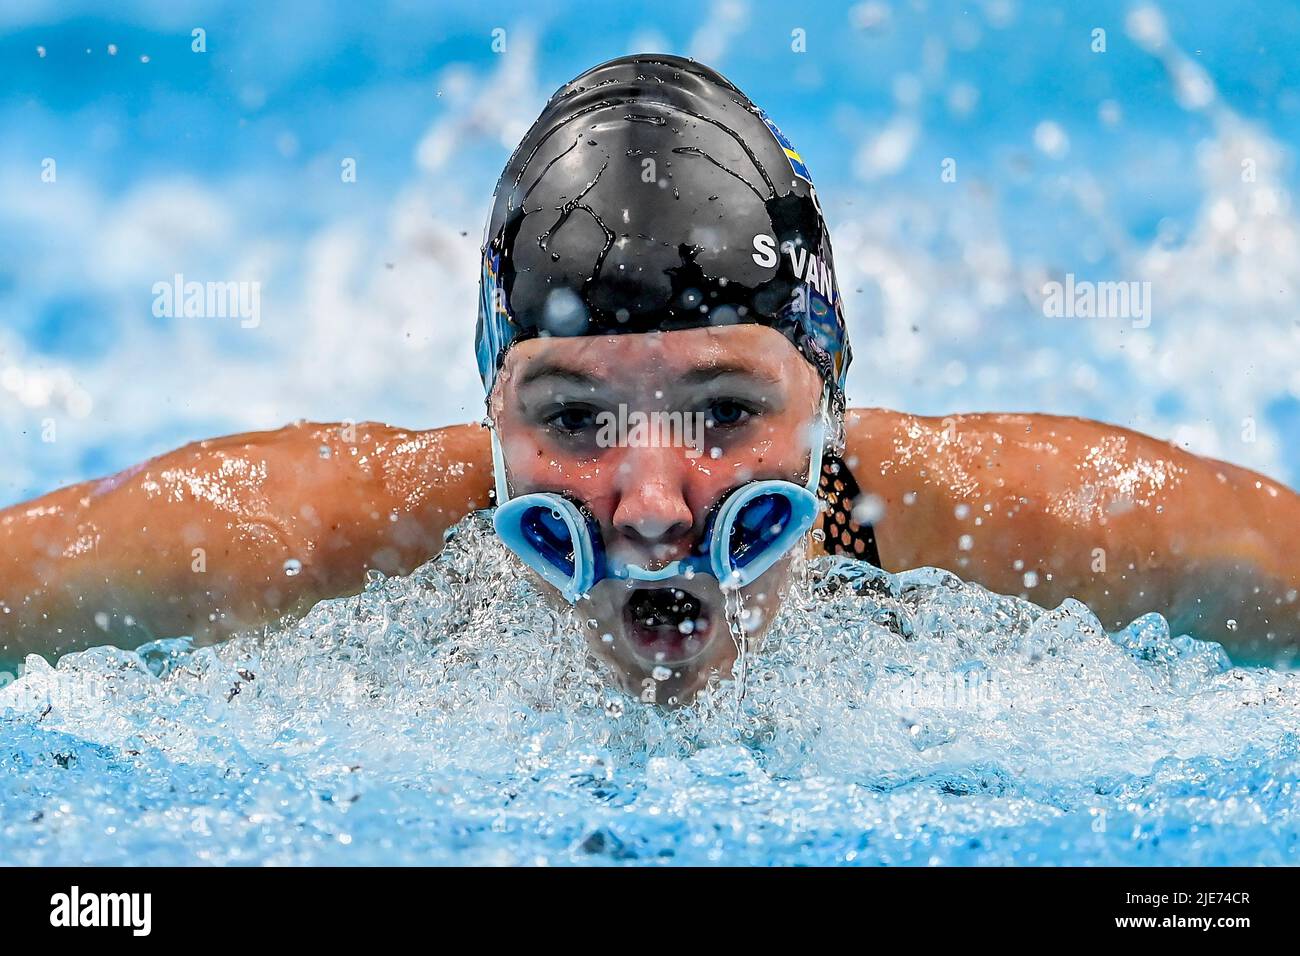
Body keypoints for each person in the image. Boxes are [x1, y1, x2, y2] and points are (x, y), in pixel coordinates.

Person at [2, 55, 1297, 703]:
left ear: (828, 400)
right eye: (573, 414)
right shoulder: (313, 539)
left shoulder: (1037, 523)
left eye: (727, 409)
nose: (654, 502)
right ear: (492, 416)